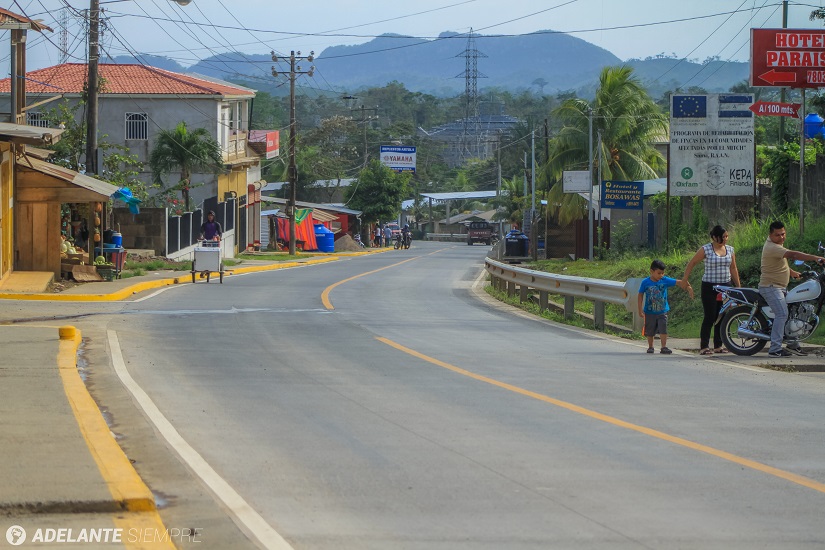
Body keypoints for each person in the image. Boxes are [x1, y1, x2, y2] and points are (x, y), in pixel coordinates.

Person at [758, 221, 825, 357]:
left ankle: (792, 344)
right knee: (782, 314)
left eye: (783, 234)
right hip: (771, 287)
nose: (781, 237)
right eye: (777, 235)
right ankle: (775, 349)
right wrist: (815, 258)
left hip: (780, 287)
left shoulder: (777, 245)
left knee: (794, 310)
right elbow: (793, 255)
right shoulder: (772, 247)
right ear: (770, 235)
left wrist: (793, 273)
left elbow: (778, 265)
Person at [683, 225, 741, 355]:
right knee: (710, 316)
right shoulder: (706, 249)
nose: (726, 239)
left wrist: (738, 286)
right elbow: (692, 263)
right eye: (723, 236)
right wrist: (685, 280)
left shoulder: (730, 250)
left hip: (726, 287)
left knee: (722, 315)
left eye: (727, 236)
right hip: (710, 286)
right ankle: (704, 346)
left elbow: (733, 268)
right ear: (715, 237)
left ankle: (718, 345)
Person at [638, 259, 694, 354]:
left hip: (662, 310)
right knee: (650, 330)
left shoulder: (665, 280)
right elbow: (640, 295)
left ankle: (663, 347)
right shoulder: (645, 282)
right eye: (659, 273)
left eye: (663, 273)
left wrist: (688, 287)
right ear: (652, 271)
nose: (661, 275)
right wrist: (640, 310)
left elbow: (679, 282)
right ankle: (650, 347)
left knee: (663, 328)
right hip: (649, 311)